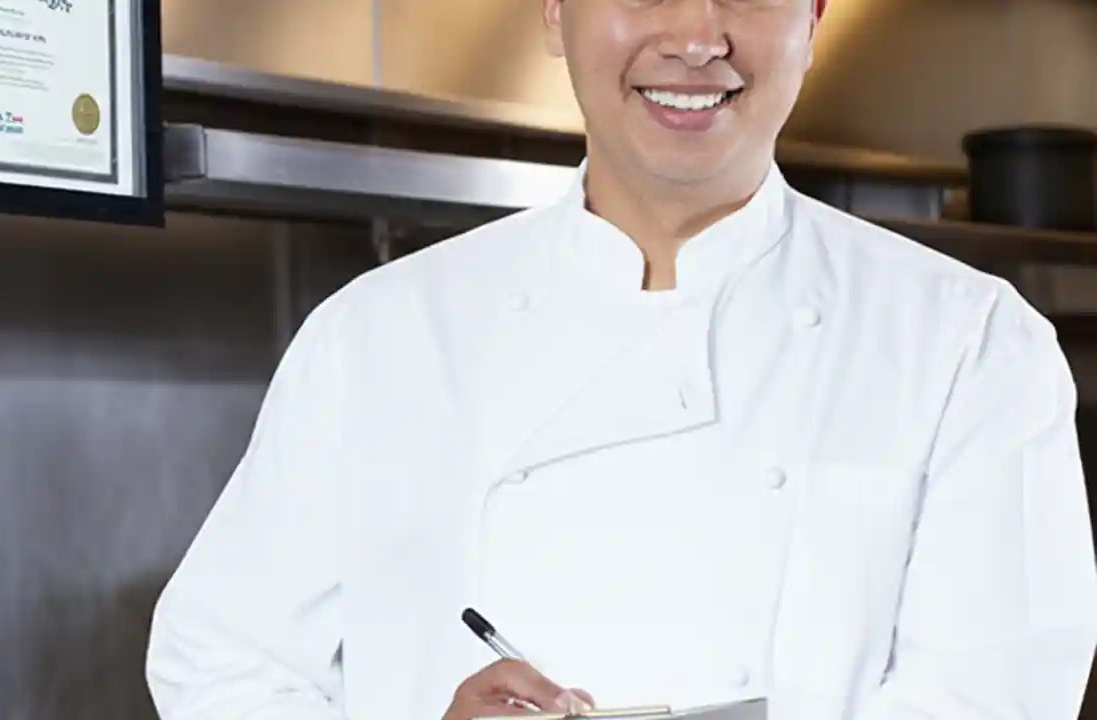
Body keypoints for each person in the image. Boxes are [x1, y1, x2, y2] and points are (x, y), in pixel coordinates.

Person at [146, 0, 1097, 717]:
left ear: (814, 13)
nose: (695, 36)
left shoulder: (971, 345)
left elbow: (997, 696)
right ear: (556, 10)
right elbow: (221, 664)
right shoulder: (376, 337)